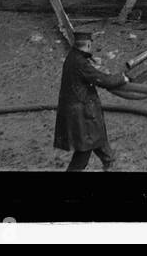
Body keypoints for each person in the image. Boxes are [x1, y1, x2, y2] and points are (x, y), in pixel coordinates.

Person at [54, 31, 130, 172]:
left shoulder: (72, 57)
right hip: (83, 115)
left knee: (99, 143)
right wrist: (122, 78)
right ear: (88, 44)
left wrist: (91, 60)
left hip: (80, 112)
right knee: (83, 154)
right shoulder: (80, 63)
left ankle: (110, 163)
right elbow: (102, 80)